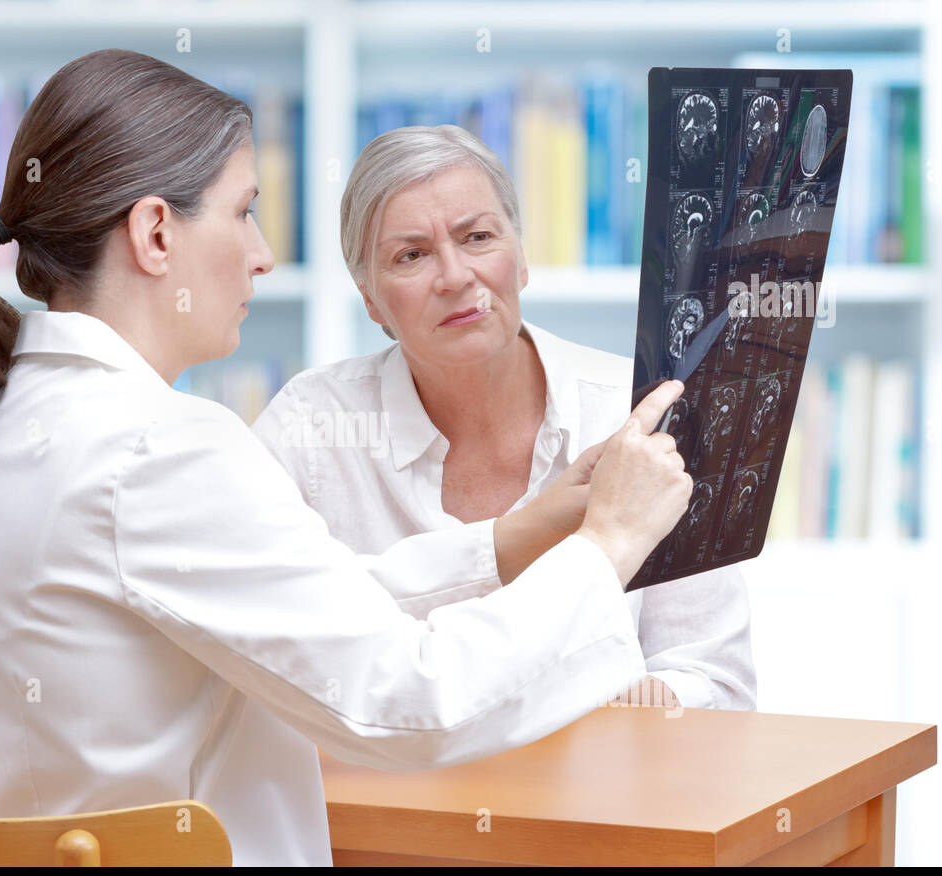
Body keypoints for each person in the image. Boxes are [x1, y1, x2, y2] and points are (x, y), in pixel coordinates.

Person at [0, 50, 692, 867]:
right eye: (243, 212)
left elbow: (294, 607)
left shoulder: (17, 423)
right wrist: (610, 545)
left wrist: (508, 542)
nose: (263, 253)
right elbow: (414, 700)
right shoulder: (160, 449)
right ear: (155, 233)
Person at [252, 125, 756, 712]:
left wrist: (629, 704)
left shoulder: (644, 414)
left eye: (478, 237)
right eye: (410, 255)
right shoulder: (309, 430)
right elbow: (276, 639)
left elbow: (717, 680)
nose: (456, 276)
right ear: (370, 300)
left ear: (520, 259)